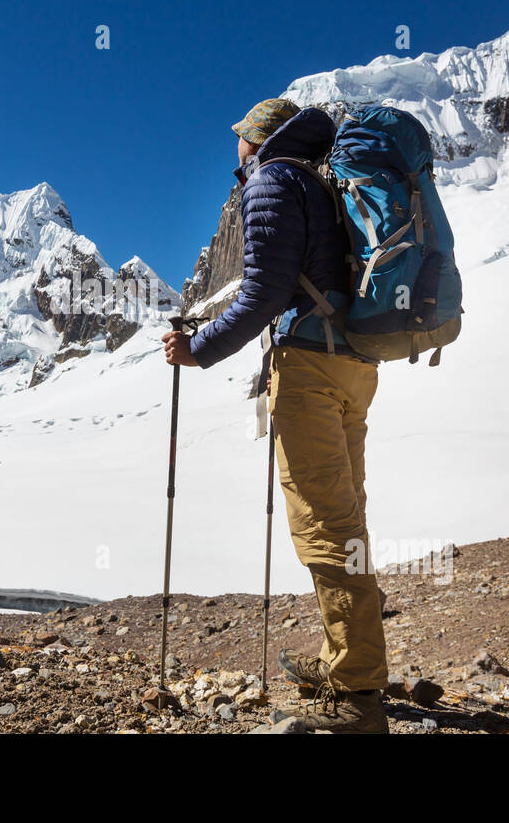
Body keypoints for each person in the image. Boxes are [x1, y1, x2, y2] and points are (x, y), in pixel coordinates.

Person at [163, 97, 389, 733]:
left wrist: (198, 348)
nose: (235, 149)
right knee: (346, 515)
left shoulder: (272, 181)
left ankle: (358, 696)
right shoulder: (323, 180)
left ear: (258, 140)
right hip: (354, 365)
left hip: (311, 368)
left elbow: (263, 291)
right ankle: (347, 659)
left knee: (325, 524)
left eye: (241, 138)